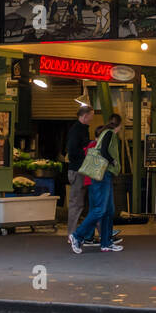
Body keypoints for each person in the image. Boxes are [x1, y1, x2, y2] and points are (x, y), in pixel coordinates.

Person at [68, 115, 122, 253]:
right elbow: (104, 151)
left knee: (109, 210)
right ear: (119, 125)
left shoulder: (104, 133)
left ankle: (106, 242)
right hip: (103, 174)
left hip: (104, 175)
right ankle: (77, 236)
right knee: (100, 209)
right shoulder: (110, 133)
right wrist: (113, 161)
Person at [65, 105, 94, 236]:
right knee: (76, 204)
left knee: (80, 204)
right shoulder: (77, 130)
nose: (92, 119)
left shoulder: (81, 129)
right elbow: (72, 152)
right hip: (78, 171)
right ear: (85, 115)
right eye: (91, 116)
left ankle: (85, 233)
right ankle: (72, 234)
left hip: (81, 170)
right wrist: (87, 153)